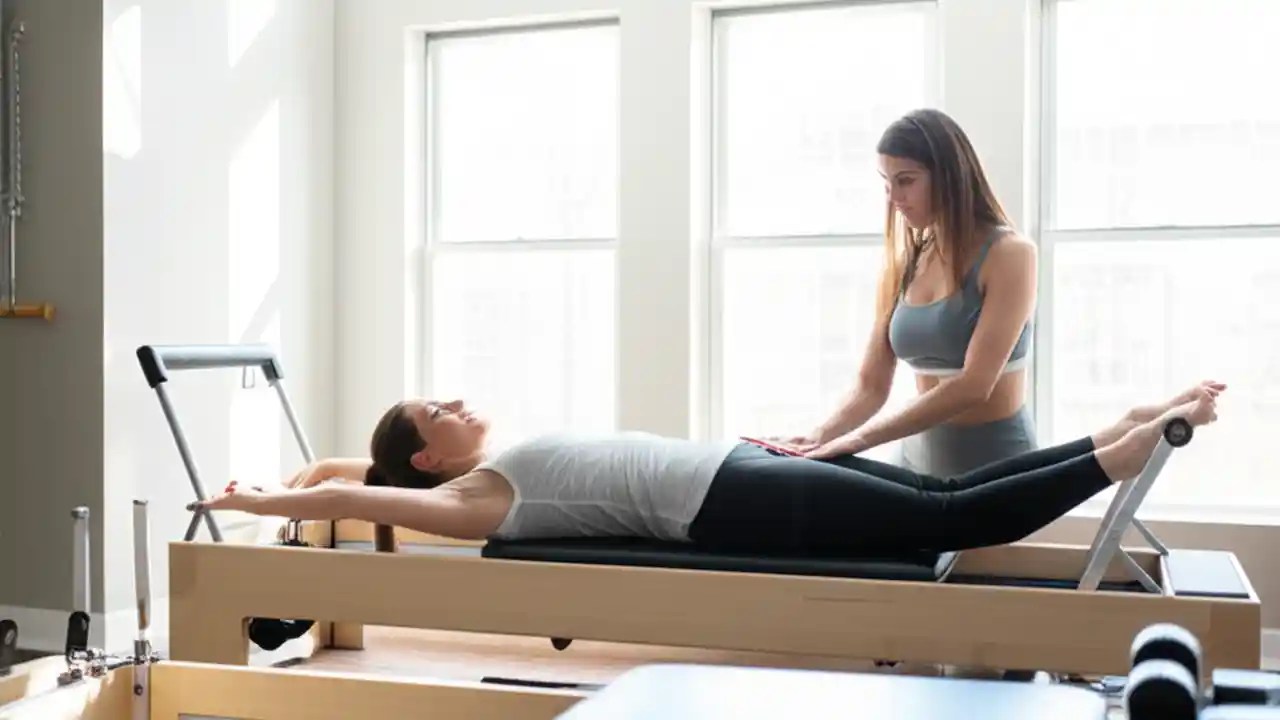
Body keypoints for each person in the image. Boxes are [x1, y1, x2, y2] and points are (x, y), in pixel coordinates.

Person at [195, 381, 1223, 556]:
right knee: (949, 520)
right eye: (439, 411)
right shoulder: (469, 499)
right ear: (427, 458)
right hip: (721, 503)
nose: (461, 404)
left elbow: (347, 465)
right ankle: (1123, 449)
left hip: (729, 464)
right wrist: (264, 499)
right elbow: (343, 490)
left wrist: (317, 463)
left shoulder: (468, 463)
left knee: (939, 496)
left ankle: (1111, 433)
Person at [782, 109, 1039, 477]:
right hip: (917, 462)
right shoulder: (905, 264)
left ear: (949, 176)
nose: (894, 198)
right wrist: (818, 437)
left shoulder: (1011, 254)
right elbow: (870, 386)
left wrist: (857, 441)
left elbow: (973, 385)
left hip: (995, 466)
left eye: (906, 181)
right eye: (886, 183)